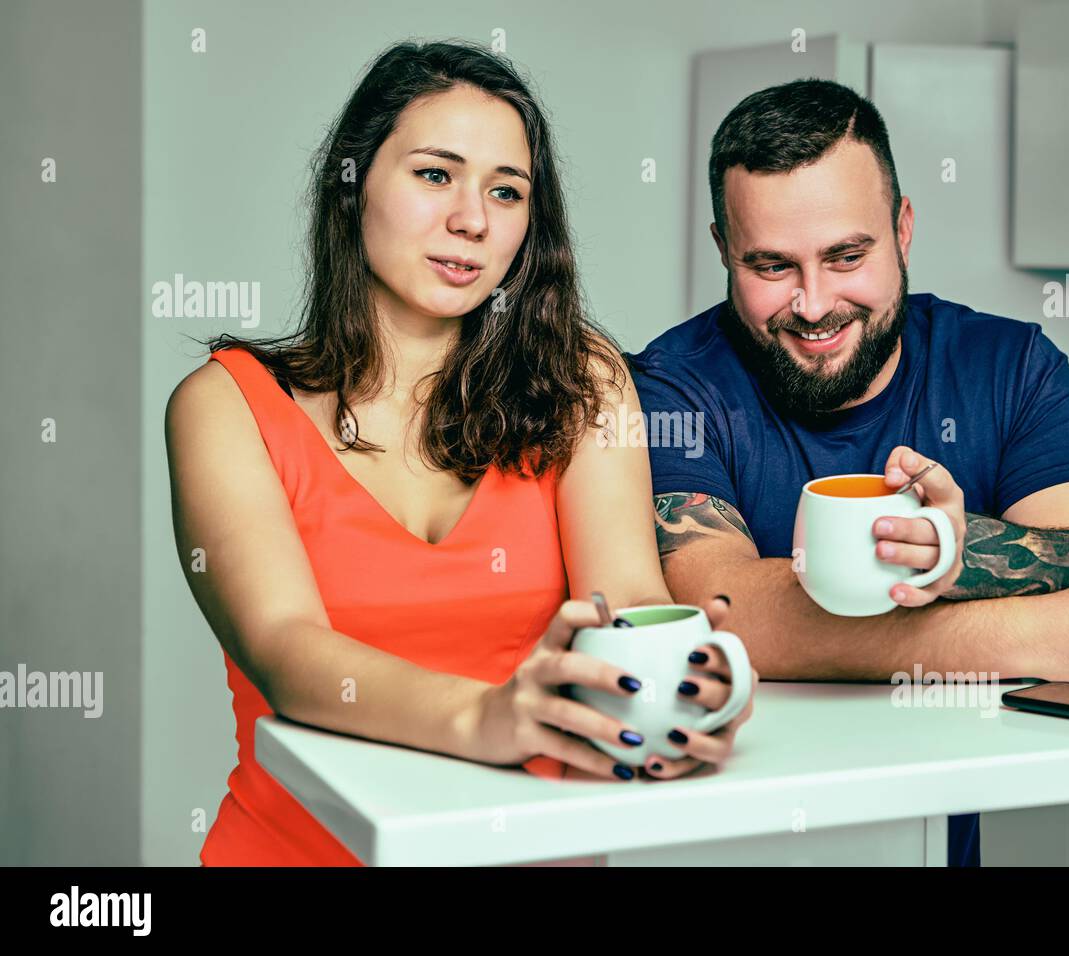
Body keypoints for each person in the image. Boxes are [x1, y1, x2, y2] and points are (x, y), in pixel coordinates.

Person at [165, 40, 755, 866]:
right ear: (353, 184)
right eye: (435, 174)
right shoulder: (225, 406)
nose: (472, 219)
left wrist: (681, 687)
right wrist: (487, 718)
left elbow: (624, 602)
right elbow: (287, 652)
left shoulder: (583, 382)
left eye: (505, 191)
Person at [629, 79, 1069, 867]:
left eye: (847, 256)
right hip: (725, 845)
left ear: (904, 228)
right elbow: (720, 615)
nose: (815, 305)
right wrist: (1033, 633)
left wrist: (960, 548)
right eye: (772, 266)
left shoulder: (1010, 366)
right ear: (723, 249)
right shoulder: (670, 388)